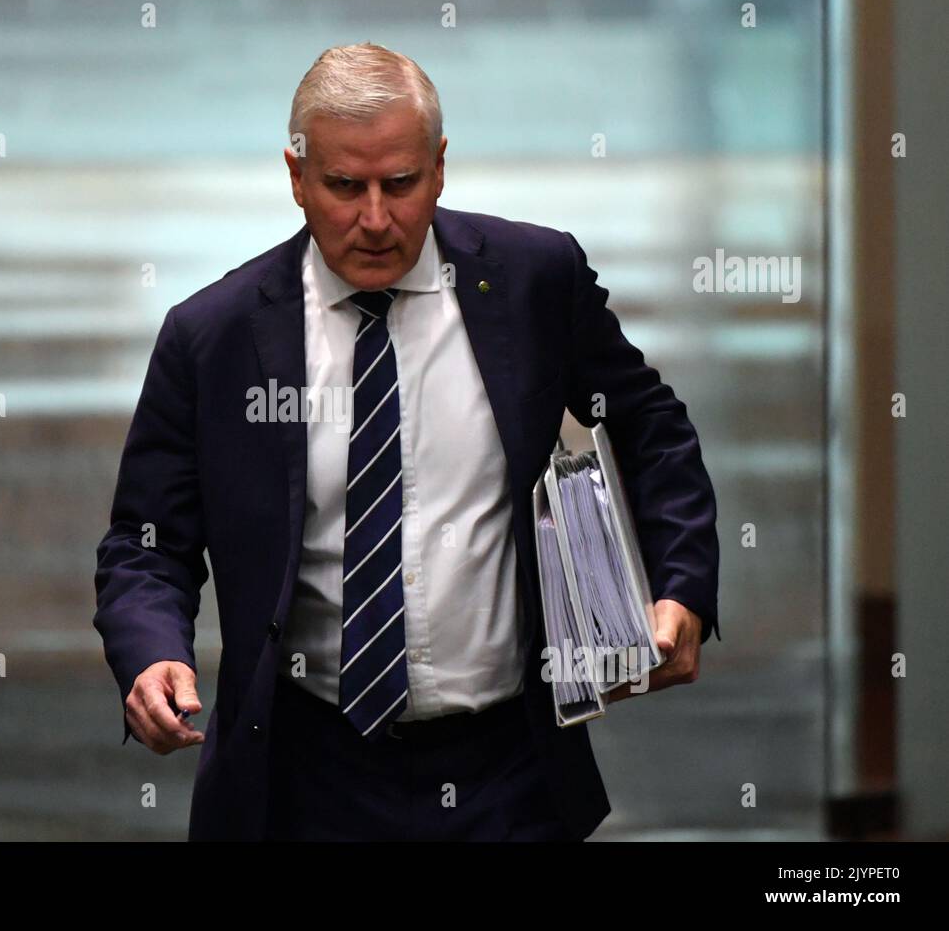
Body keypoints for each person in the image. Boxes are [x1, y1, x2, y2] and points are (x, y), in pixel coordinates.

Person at [94, 42, 720, 841]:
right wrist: (151, 655)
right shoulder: (212, 338)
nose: (376, 218)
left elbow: (651, 426)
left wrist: (683, 586)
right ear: (295, 177)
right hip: (303, 778)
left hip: (509, 772)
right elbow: (148, 543)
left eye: (401, 183)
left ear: (441, 167)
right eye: (344, 186)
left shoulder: (532, 280)